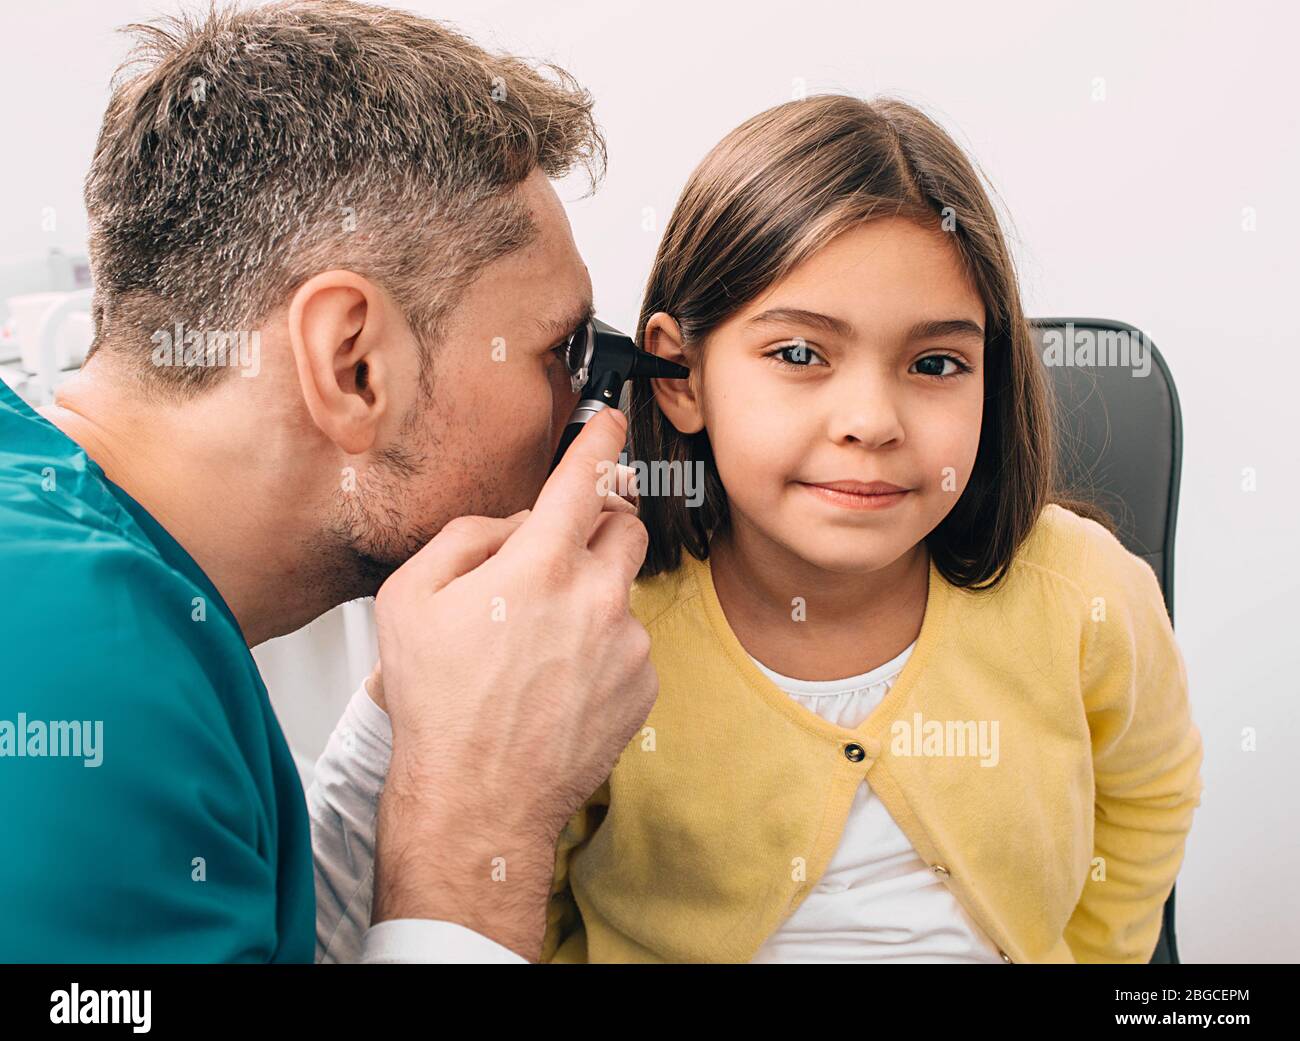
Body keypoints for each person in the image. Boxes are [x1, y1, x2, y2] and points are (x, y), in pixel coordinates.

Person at [322, 94, 1205, 964]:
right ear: (682, 379)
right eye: (799, 355)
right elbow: (523, 896)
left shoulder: (1087, 593)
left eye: (936, 363)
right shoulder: (589, 630)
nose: (871, 420)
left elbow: (1150, 793)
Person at [0, 0, 656, 964]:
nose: (587, 410)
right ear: (354, 363)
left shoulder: (100, 579)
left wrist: (427, 721)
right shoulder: (90, 690)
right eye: (562, 352)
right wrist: (479, 829)